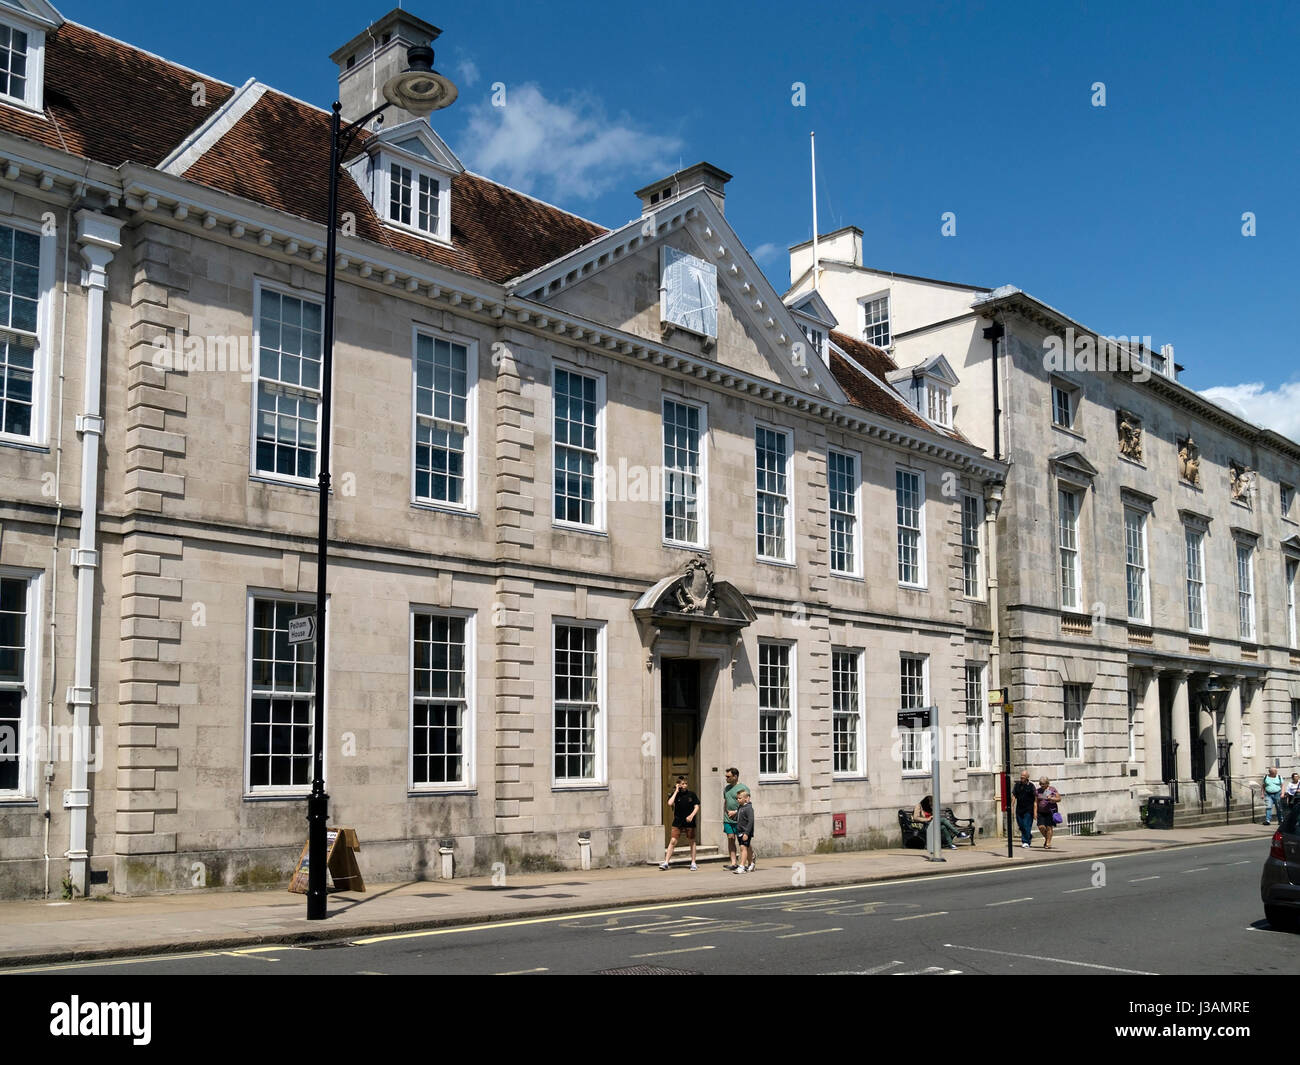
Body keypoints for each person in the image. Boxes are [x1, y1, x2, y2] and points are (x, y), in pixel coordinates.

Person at [661, 775, 700, 870]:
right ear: (678, 784)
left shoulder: (691, 794)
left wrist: (691, 815)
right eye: (683, 784)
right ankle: (666, 862)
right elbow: (670, 803)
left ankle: (693, 862)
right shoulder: (676, 794)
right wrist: (676, 791)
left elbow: (697, 806)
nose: (685, 785)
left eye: (686, 784)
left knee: (691, 841)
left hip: (689, 821)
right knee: (673, 840)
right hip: (678, 821)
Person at [722, 767, 749, 871]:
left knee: (742, 841)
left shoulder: (743, 788)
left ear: (735, 776)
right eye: (726, 776)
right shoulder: (726, 789)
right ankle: (733, 863)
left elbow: (746, 805)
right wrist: (726, 812)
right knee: (730, 839)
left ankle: (749, 861)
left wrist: (736, 812)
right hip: (728, 819)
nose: (726, 778)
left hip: (740, 819)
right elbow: (726, 802)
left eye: (728, 776)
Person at [1012, 769, 1038, 848]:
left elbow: (1035, 799)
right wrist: (1012, 806)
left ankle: (1025, 842)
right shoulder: (1017, 785)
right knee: (1021, 826)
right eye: (1021, 777)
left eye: (1023, 777)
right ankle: (1028, 835)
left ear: (1027, 777)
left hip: (1028, 810)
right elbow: (1013, 796)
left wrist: (1035, 811)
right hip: (1019, 809)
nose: (1021, 779)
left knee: (1026, 825)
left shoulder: (1031, 786)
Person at [733, 789, 756, 873]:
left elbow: (751, 821)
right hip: (739, 832)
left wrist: (746, 833)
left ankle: (742, 866)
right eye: (737, 798)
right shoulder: (740, 807)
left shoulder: (749, 808)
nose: (738, 800)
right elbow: (739, 818)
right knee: (746, 848)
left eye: (739, 798)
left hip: (745, 832)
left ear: (746, 799)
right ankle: (751, 864)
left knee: (743, 848)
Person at [1036, 777, 1062, 849]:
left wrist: (1051, 798)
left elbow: (1059, 799)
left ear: (1047, 783)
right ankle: (1047, 838)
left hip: (1050, 811)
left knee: (1049, 827)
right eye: (1040, 784)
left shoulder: (1052, 789)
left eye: (1043, 784)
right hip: (1040, 811)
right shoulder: (1038, 791)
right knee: (1041, 827)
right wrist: (1034, 812)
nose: (1042, 785)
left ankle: (1048, 842)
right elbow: (1035, 802)